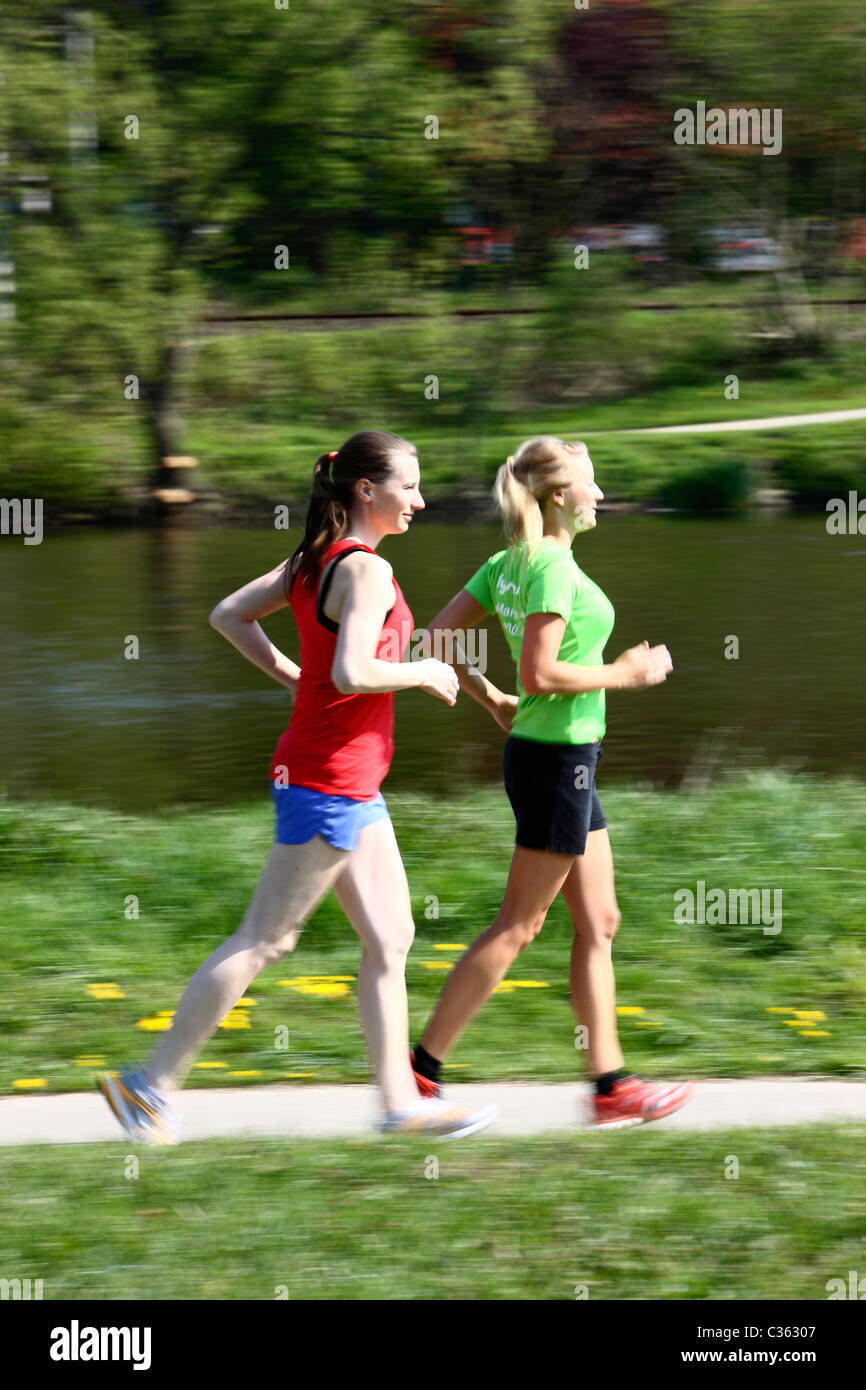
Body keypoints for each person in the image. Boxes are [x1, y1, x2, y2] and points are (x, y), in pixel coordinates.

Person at [99, 430, 496, 1142]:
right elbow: (351, 673)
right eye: (409, 486)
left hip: (347, 777)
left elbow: (228, 615)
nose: (421, 500)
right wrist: (425, 673)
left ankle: (399, 1105)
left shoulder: (313, 561)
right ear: (366, 491)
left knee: (391, 936)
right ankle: (148, 1088)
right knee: (265, 940)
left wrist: (291, 677)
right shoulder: (365, 571)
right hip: (329, 778)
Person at [409, 436, 695, 1128]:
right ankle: (417, 1075)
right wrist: (623, 675)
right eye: (592, 484)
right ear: (561, 496)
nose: (601, 494)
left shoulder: (510, 562)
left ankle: (610, 1088)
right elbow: (541, 674)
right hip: (555, 763)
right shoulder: (553, 569)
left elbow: (433, 640)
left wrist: (496, 702)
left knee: (598, 921)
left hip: (562, 757)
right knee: (520, 924)